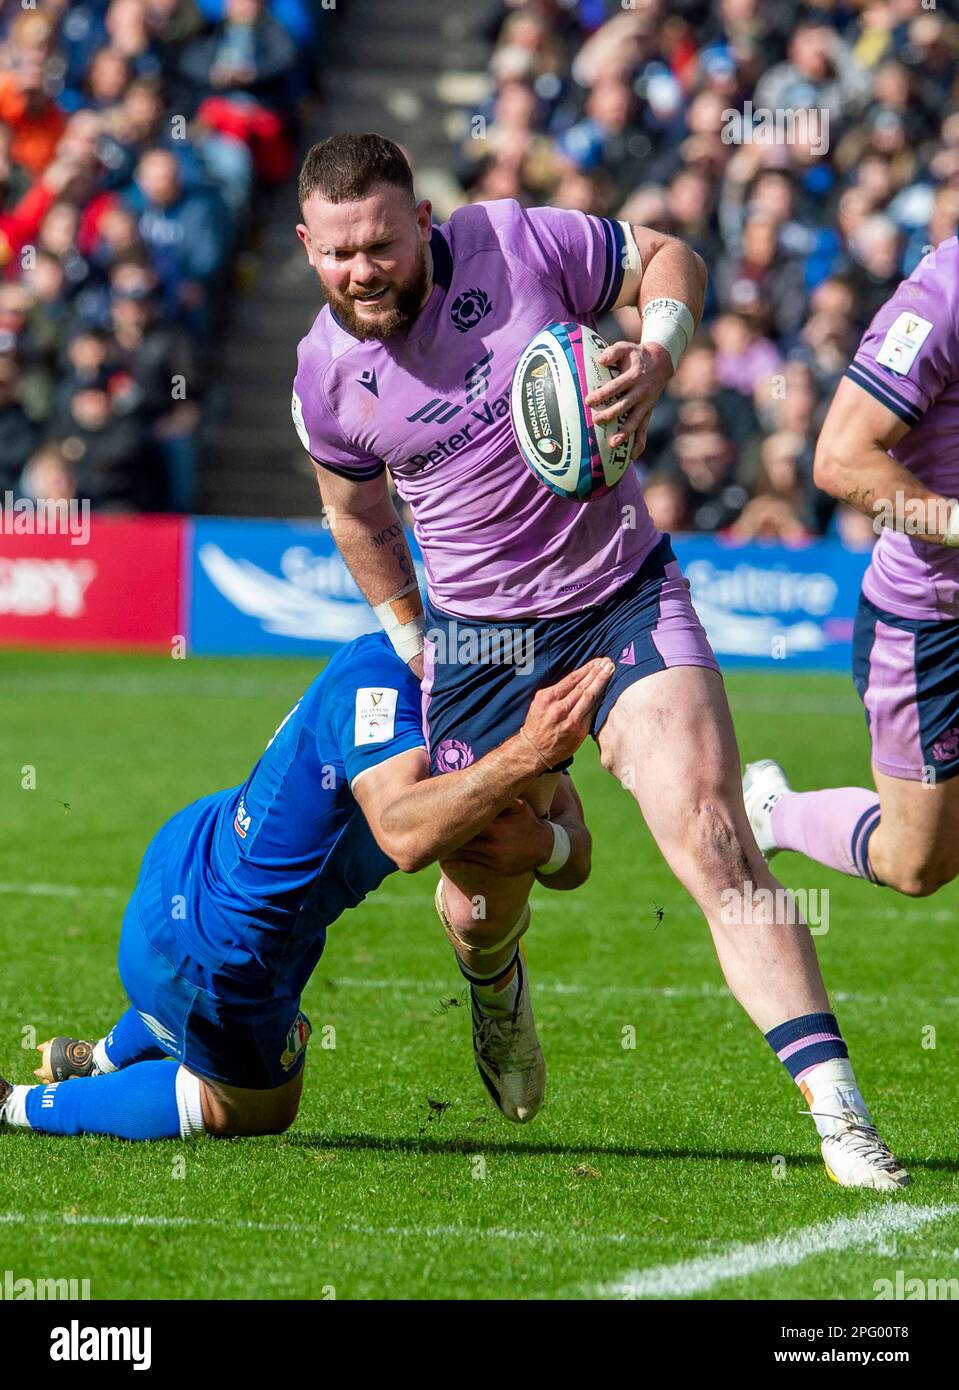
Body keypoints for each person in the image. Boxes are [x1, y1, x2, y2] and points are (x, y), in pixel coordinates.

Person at [288, 131, 908, 1189]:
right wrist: (412, 640)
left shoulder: (514, 239)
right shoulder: (323, 375)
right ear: (306, 246)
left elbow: (669, 256)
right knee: (496, 887)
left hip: (619, 593)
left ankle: (837, 1111)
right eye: (338, 253)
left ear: (423, 223)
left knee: (711, 835)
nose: (362, 271)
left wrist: (657, 353)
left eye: (382, 245)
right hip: (480, 643)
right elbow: (354, 514)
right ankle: (495, 984)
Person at [0, 637, 603, 1140]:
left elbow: (574, 855)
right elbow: (406, 836)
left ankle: (100, 1056)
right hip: (217, 946)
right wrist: (527, 754)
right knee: (257, 1111)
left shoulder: (486, 680)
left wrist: (546, 843)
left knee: (247, 980)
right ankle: (15, 1104)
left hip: (189, 857)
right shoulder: (382, 684)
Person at [745, 235, 959, 903]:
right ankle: (772, 811)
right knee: (916, 863)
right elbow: (840, 459)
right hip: (930, 618)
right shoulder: (940, 294)